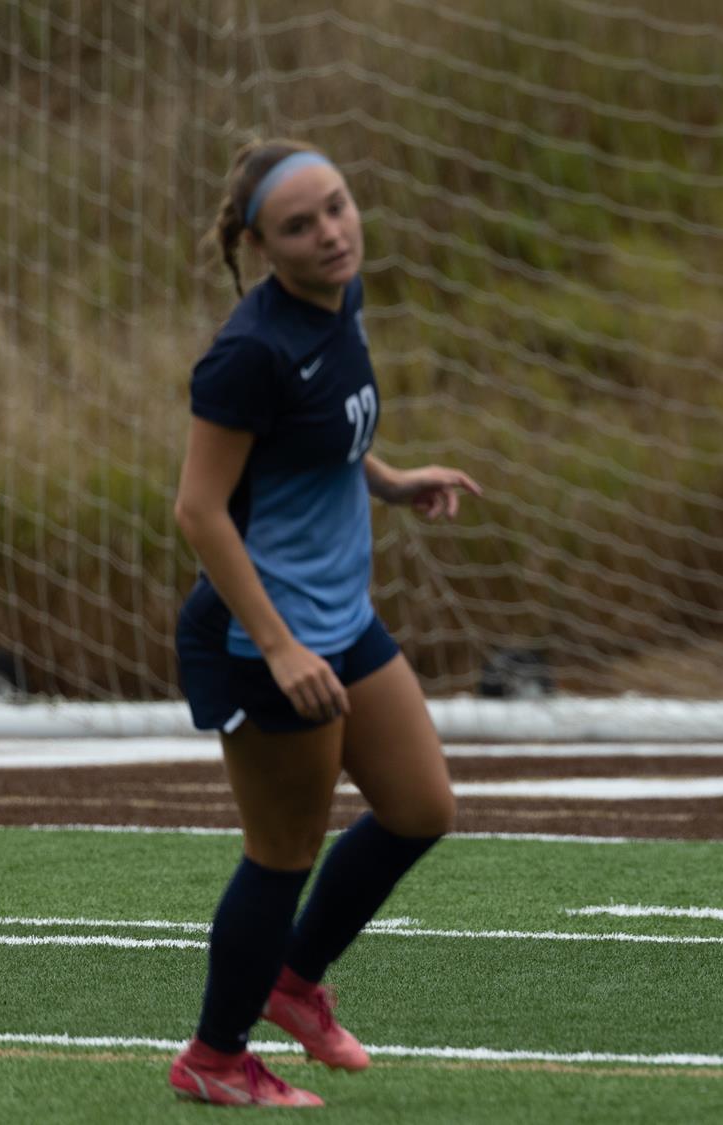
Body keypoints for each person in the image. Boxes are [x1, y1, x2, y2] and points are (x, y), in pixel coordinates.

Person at [167, 139, 482, 1106]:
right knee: (283, 851)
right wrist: (278, 644)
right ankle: (215, 1056)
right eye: (300, 226)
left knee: (421, 807)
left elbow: (322, 438)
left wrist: (388, 479)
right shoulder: (248, 354)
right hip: (262, 639)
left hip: (340, 617)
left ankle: (293, 986)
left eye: (338, 208)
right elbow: (199, 509)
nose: (331, 234)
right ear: (261, 243)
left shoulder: (340, 298)